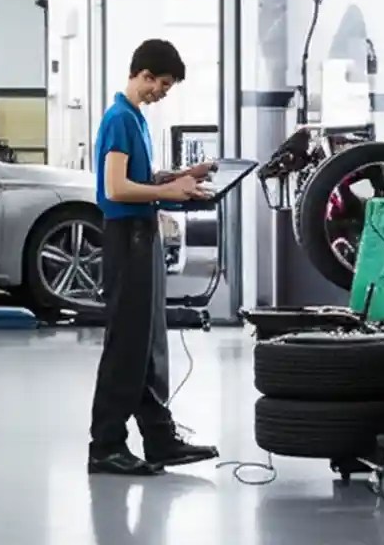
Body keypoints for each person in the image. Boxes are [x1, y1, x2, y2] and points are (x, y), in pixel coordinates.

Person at [87, 38, 221, 476]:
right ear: (143, 74)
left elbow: (137, 178)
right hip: (126, 239)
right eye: (161, 84)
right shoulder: (119, 119)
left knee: (148, 347)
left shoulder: (137, 119)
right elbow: (115, 188)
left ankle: (159, 439)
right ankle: (106, 445)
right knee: (125, 347)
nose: (162, 92)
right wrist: (168, 192)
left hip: (142, 237)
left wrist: (181, 177)